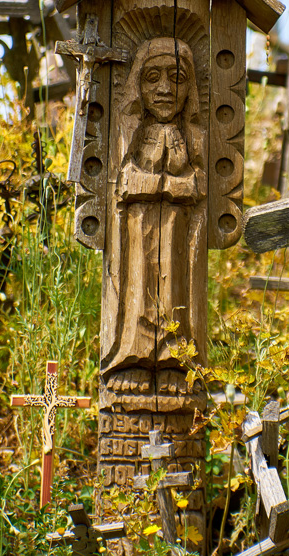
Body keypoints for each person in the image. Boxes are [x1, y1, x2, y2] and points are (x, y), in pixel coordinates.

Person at [101, 38, 206, 380]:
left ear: (190, 86)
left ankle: (177, 355)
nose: (164, 88)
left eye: (176, 78)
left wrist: (175, 186)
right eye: (152, 78)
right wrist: (168, 186)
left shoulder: (189, 134)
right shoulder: (133, 131)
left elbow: (198, 185)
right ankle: (134, 351)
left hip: (176, 231)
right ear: (138, 85)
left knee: (173, 293)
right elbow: (126, 180)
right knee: (139, 291)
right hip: (138, 227)